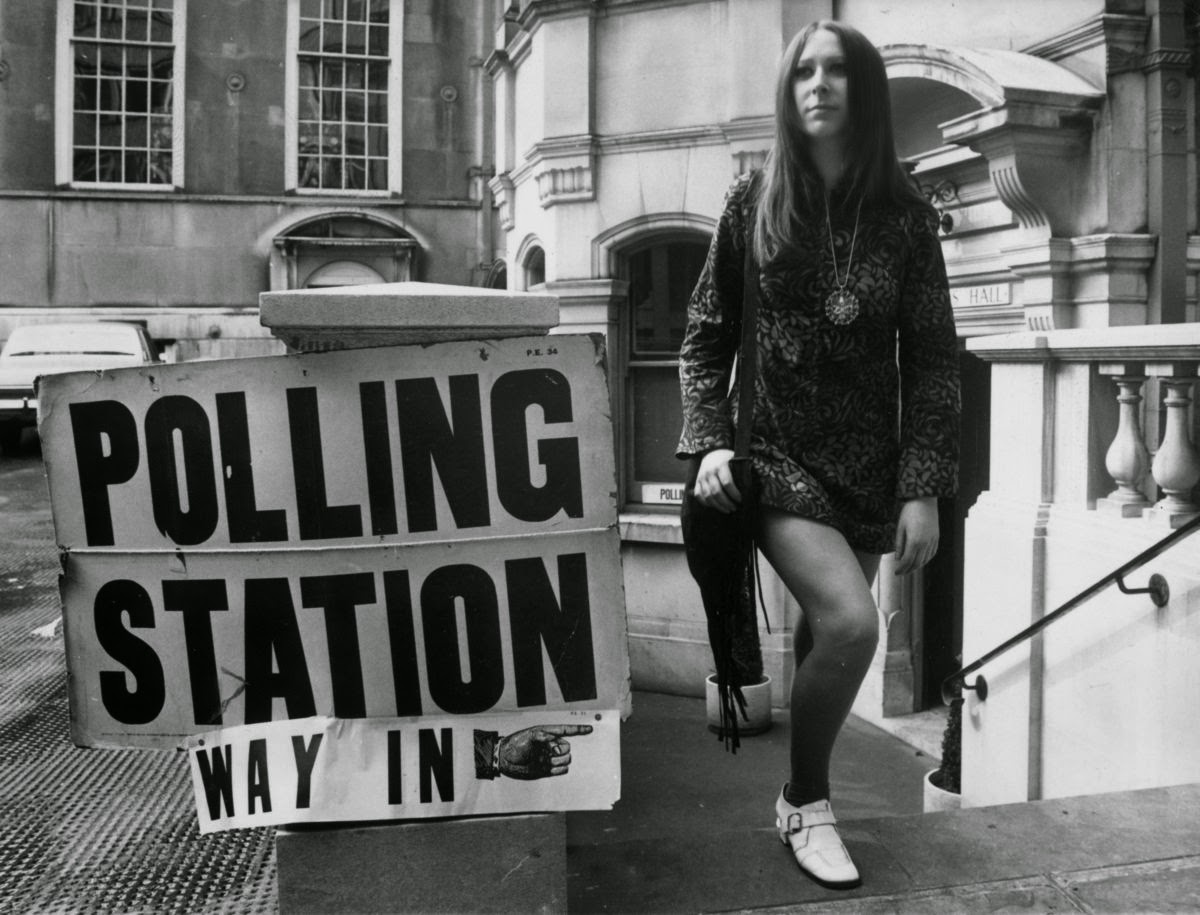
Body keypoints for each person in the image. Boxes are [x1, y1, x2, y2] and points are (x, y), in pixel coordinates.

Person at [677, 20, 960, 889]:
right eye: (804, 70)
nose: (819, 84)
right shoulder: (753, 199)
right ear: (788, 90)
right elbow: (702, 337)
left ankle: (804, 790)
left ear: (862, 90)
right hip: (775, 456)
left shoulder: (908, 217)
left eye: (838, 70)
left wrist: (923, 489)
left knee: (818, 638)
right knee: (850, 624)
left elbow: (935, 358)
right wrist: (709, 443)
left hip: (870, 465)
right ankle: (805, 800)